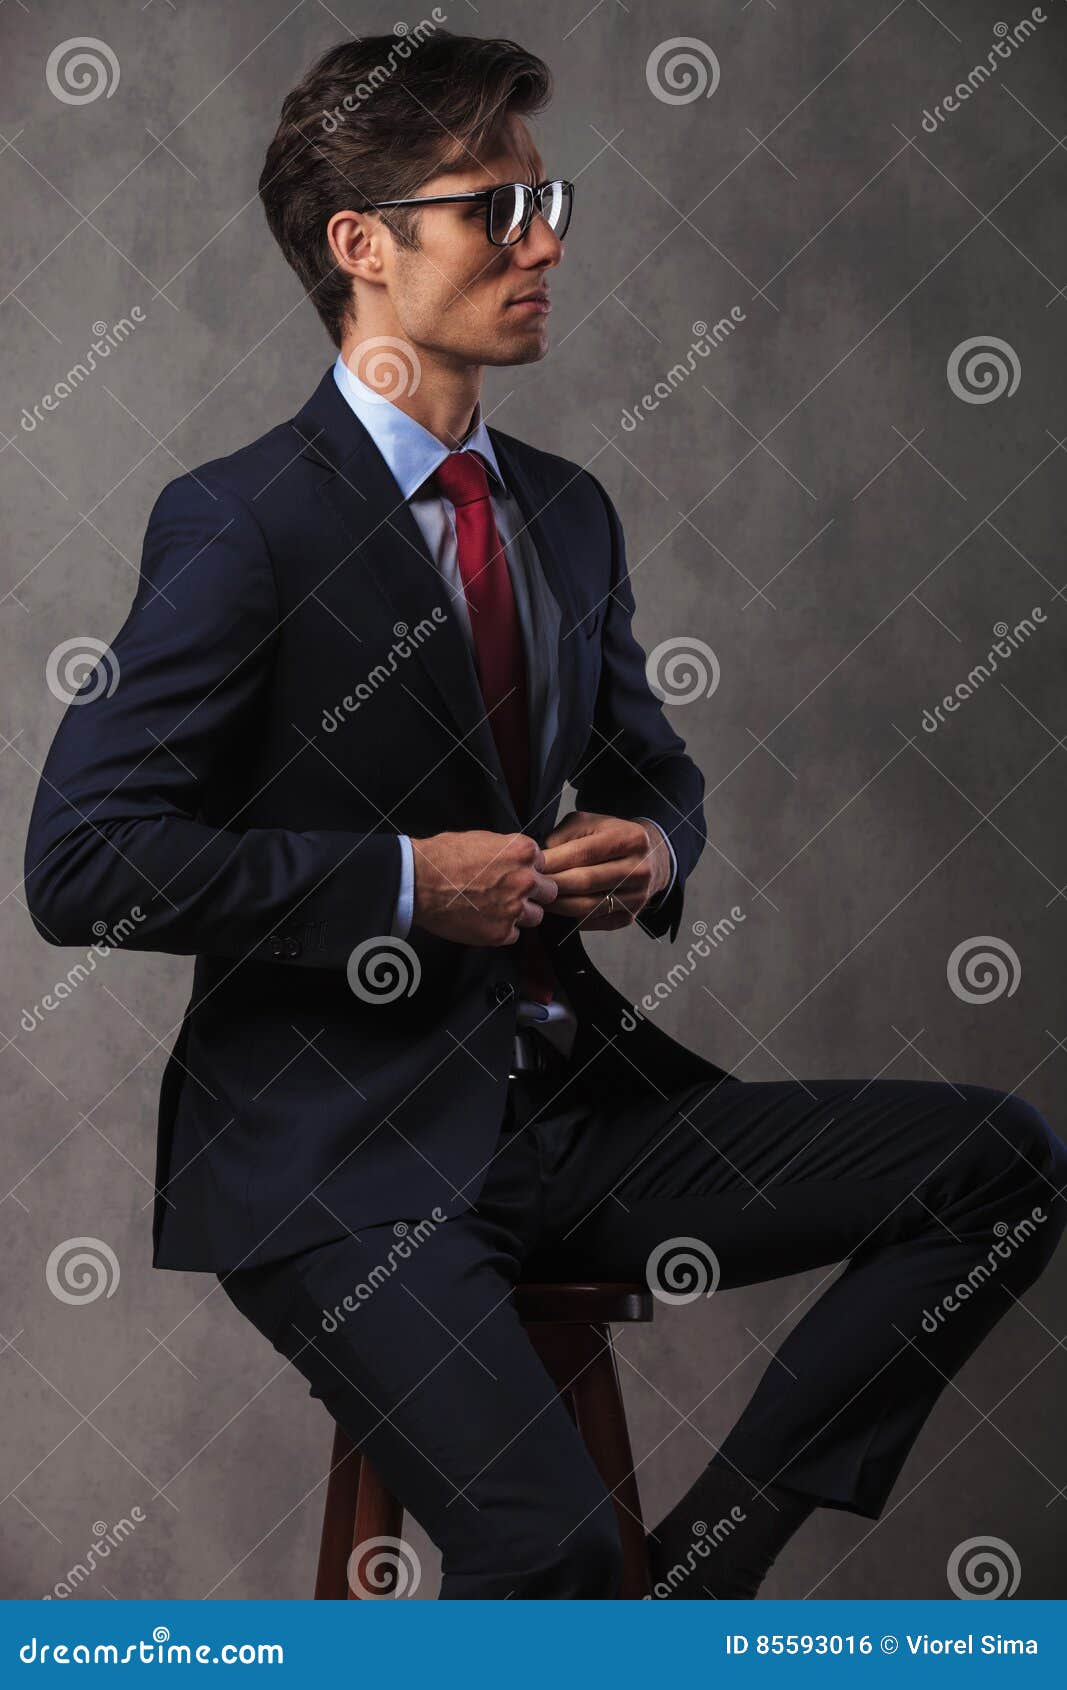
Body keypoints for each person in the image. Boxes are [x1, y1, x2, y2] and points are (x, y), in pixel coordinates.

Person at [24, 32, 1067, 1599]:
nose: (549, 242)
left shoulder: (566, 514)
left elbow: (653, 770)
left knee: (1003, 1164)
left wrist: (650, 849)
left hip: (574, 1118)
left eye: (547, 198)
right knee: (556, 1549)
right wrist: (396, 885)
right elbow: (80, 862)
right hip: (342, 1164)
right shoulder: (242, 521)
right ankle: (624, 1606)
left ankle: (698, 1588)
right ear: (362, 248)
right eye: (496, 209)